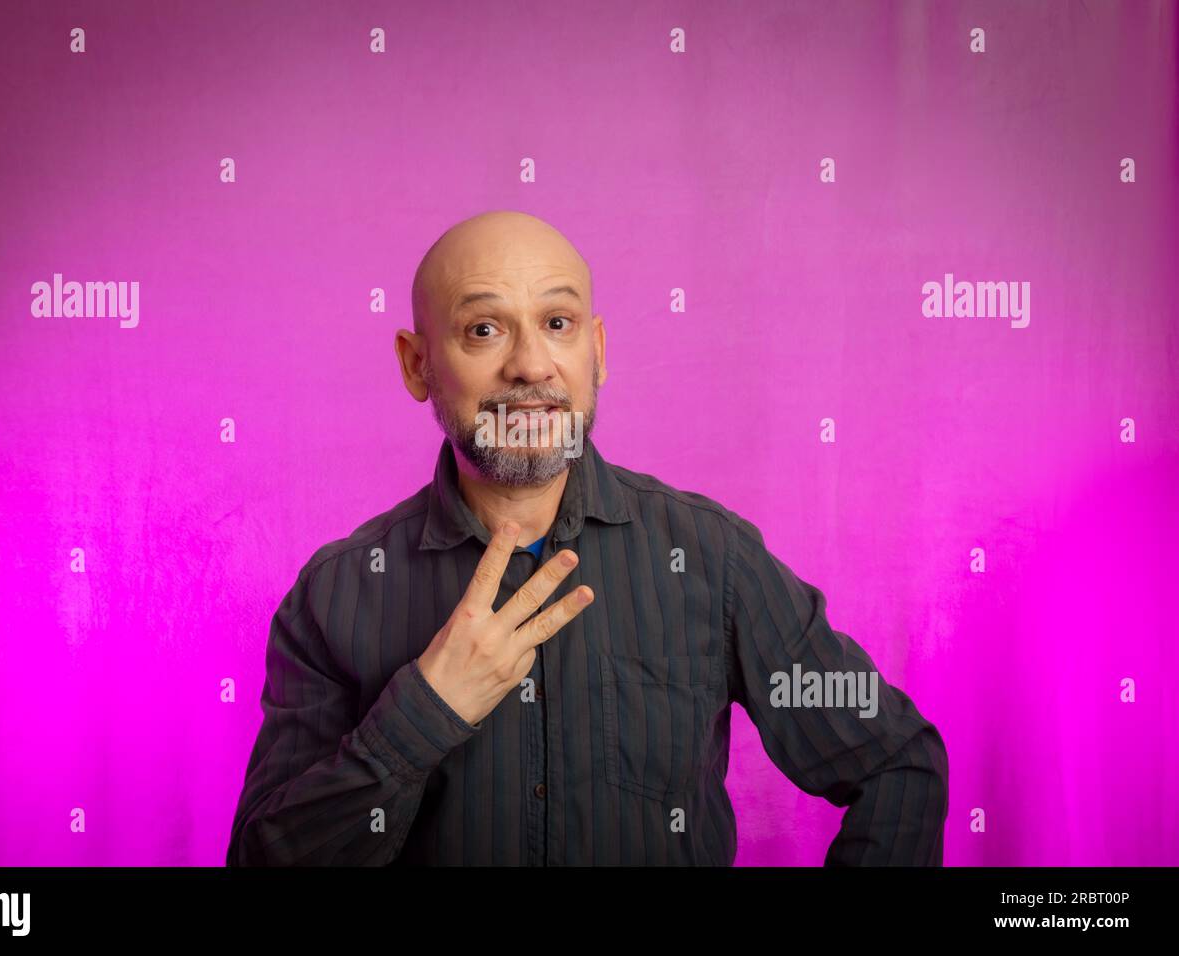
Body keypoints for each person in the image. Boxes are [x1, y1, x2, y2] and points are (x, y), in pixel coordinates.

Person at [225, 210, 948, 866]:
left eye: (559, 325)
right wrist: (424, 711)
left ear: (596, 350)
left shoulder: (711, 557)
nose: (532, 366)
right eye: (484, 329)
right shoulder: (337, 595)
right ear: (418, 365)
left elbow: (897, 763)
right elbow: (267, 860)